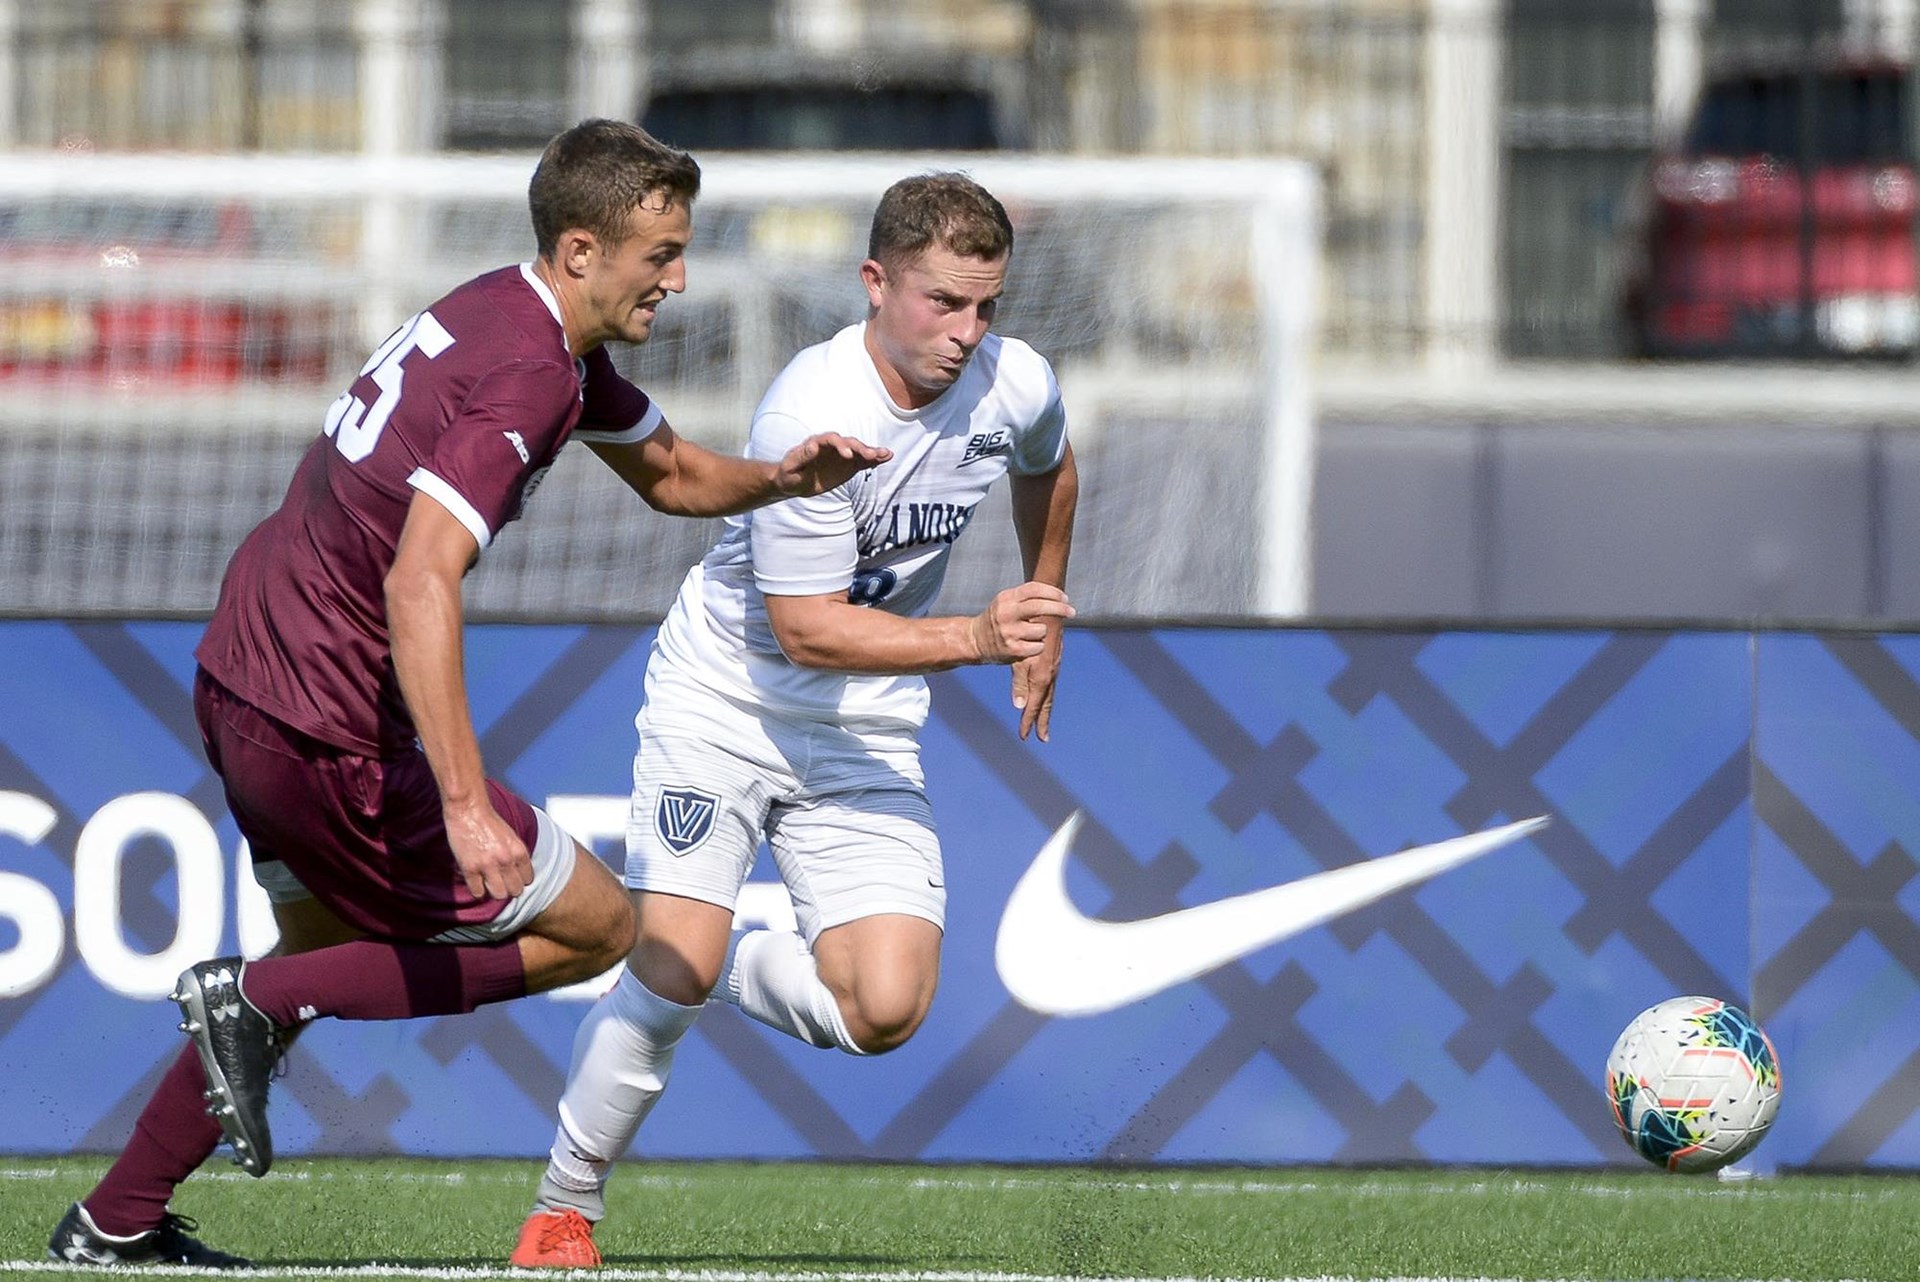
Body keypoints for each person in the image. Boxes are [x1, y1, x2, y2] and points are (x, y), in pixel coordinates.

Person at [47, 118, 887, 1270]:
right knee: (596, 925)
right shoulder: (533, 371)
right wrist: (463, 802)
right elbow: (419, 579)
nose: (680, 278)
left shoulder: (512, 311)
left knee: (326, 958)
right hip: (325, 711)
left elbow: (677, 473)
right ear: (584, 250)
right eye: (660, 254)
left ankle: (118, 1216)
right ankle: (253, 1004)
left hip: (242, 673)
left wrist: (784, 479)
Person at [507, 171, 1078, 1269]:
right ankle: (564, 1205)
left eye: (986, 307)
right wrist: (980, 635)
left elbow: (1051, 466)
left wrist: (1044, 607)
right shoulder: (814, 411)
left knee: (886, 1006)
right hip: (725, 703)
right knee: (666, 977)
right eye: (941, 303)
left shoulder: (1016, 382)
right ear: (875, 284)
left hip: (862, 725)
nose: (967, 333)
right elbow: (809, 631)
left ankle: (699, 946)